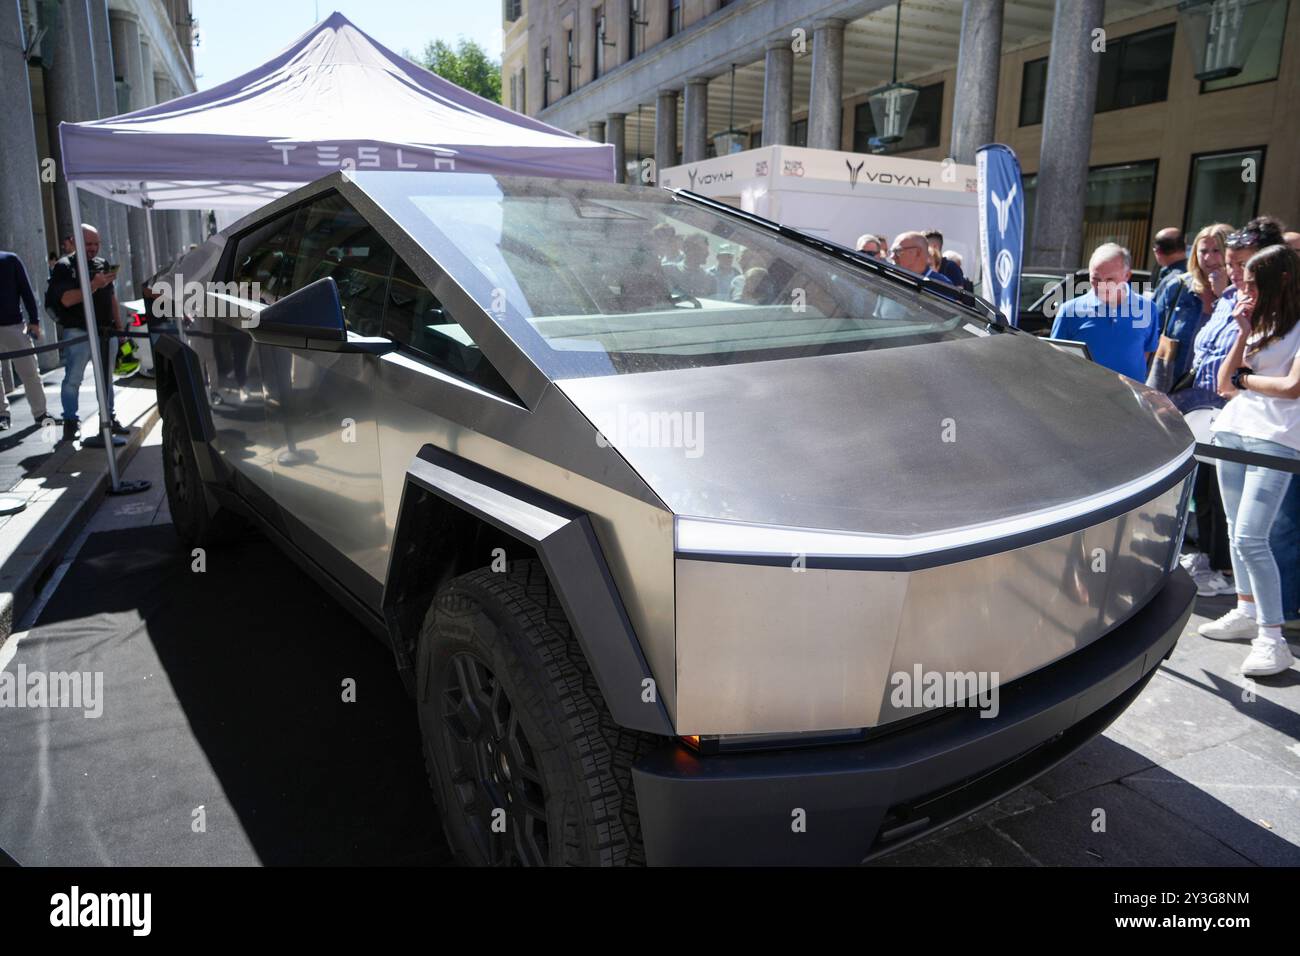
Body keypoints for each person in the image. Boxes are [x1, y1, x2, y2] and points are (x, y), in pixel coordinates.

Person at [1198, 244, 1300, 677]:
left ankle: (1272, 638)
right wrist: (1242, 331)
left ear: (1280, 280)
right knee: (1236, 530)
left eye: (1253, 279)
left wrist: (1248, 380)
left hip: (1278, 440)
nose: (1243, 284)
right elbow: (1225, 384)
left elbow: (1294, 388)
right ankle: (1245, 611)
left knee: (1251, 538)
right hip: (1233, 432)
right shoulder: (1259, 322)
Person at [45, 224, 128, 445]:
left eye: (96, 244)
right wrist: (93, 285)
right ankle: (71, 421)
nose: (93, 248)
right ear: (76, 242)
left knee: (107, 379)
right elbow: (66, 299)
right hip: (78, 331)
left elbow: (111, 297)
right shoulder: (64, 266)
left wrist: (119, 328)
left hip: (105, 331)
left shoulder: (102, 263)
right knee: (73, 378)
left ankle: (108, 418)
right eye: (88, 243)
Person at [1050, 242, 1159, 381]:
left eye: (1110, 279)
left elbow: (1146, 352)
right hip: (1083, 396)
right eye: (1095, 279)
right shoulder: (1069, 311)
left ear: (1127, 275)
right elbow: (1055, 359)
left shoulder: (1148, 308)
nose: (1102, 286)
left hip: (1129, 399)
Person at [1147, 223, 1232, 392]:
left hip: (1212, 393)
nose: (1208, 258)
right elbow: (1150, 333)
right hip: (1168, 388)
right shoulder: (1178, 286)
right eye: (1203, 251)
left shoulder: (1242, 293)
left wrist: (1224, 295)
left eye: (1216, 251)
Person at [0, 249, 50, 429]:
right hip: (12, 324)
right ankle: (2, 415)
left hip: (13, 324)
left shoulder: (10, 259)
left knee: (30, 371)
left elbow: (25, 290)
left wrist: (34, 321)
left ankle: (40, 413)